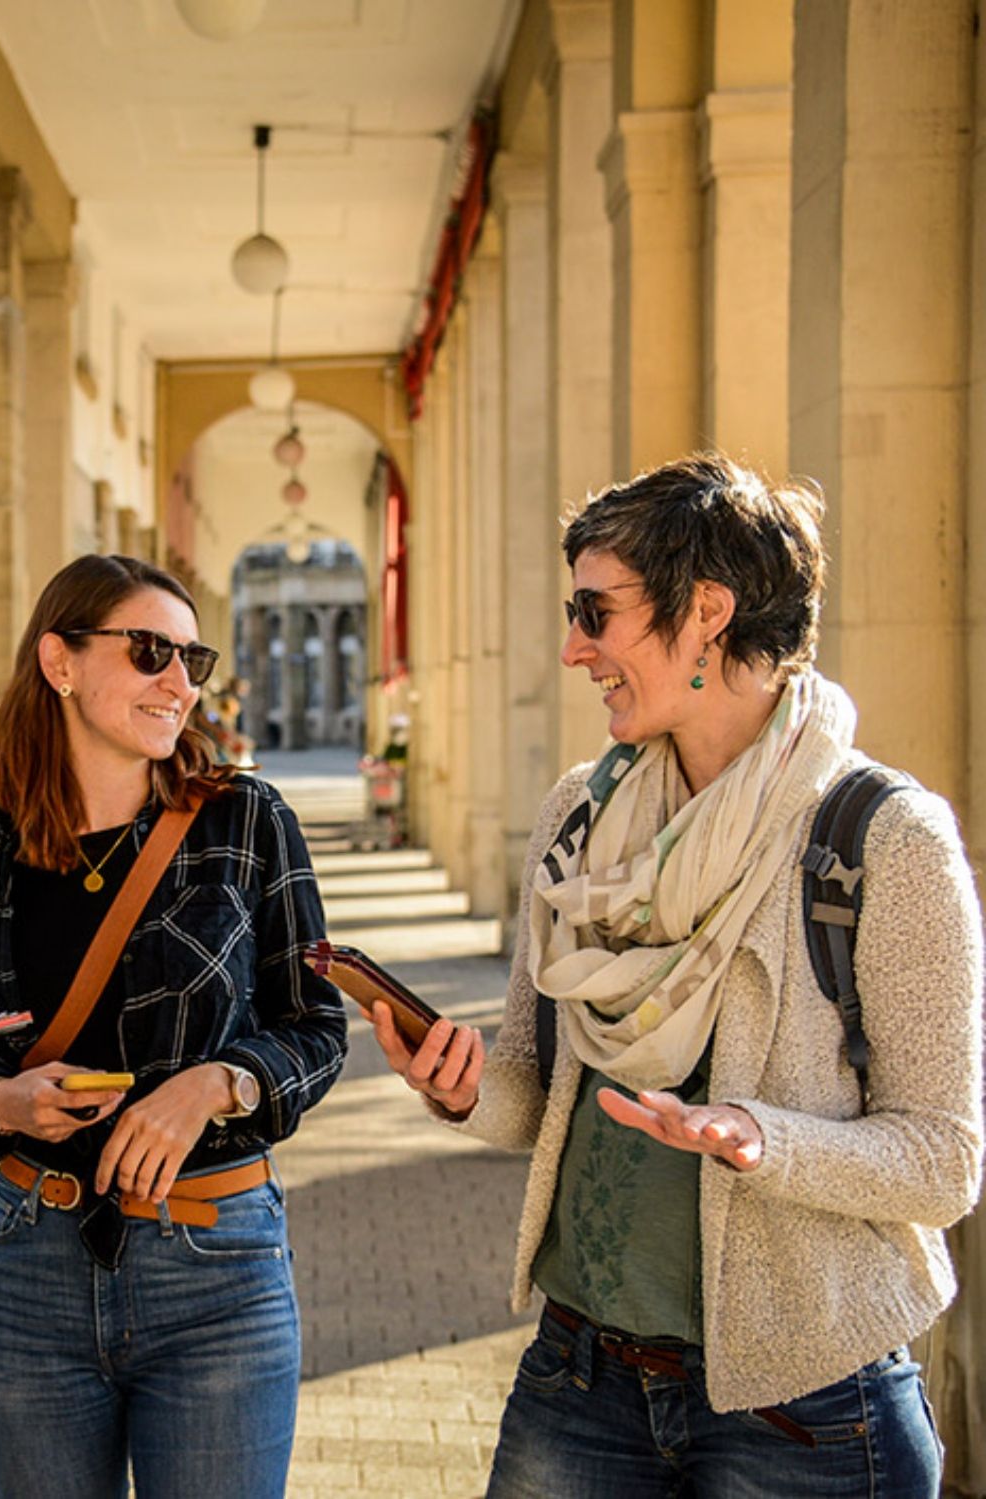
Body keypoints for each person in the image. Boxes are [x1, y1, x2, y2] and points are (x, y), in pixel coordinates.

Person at [374, 453, 984, 1497]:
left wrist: (761, 1139)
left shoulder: (884, 838)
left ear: (706, 610)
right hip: (578, 1378)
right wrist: (464, 1086)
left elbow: (941, 1159)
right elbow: (535, 1086)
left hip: (807, 1412)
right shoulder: (579, 811)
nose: (572, 648)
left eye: (594, 611)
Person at [0, 553, 348, 1497]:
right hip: (26, 1264)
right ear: (59, 662)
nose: (179, 683)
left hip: (216, 1265)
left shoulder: (245, 820)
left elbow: (316, 1026)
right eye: (151, 651)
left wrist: (216, 1083)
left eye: (196, 659)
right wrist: (1, 1102)